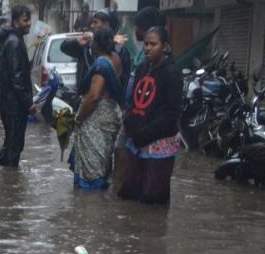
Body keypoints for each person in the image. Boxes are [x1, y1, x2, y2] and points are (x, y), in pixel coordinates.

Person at [118, 26, 183, 205]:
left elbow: (171, 113)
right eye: (146, 44)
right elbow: (132, 101)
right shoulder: (142, 68)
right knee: (129, 191)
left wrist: (147, 133)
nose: (147, 48)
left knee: (152, 198)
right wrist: (130, 123)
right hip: (136, 141)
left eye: (153, 44)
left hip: (158, 144)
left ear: (164, 46)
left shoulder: (171, 74)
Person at [68, 27, 124, 190]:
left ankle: (91, 202)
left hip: (97, 116)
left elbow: (94, 97)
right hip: (111, 112)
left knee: (92, 167)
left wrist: (78, 118)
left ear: (98, 45)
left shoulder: (101, 65)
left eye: (93, 42)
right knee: (103, 157)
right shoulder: (117, 58)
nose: (91, 45)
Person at [0, 5, 32, 167]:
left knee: (11, 142)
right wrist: (28, 103)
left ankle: (4, 177)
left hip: (10, 104)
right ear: (16, 22)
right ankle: (9, 185)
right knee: (15, 144)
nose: (29, 23)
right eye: (26, 20)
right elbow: (17, 80)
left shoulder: (14, 40)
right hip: (13, 105)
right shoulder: (14, 43)